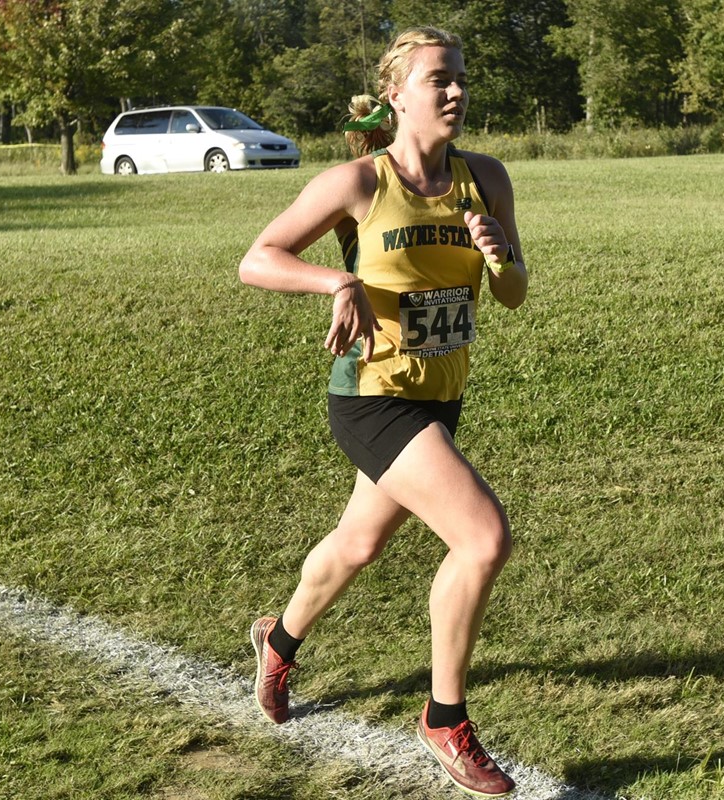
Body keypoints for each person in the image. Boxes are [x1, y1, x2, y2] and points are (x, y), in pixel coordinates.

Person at [238, 25, 527, 798]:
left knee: (359, 545)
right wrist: (336, 285)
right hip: (371, 397)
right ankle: (444, 717)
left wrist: (500, 255)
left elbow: (514, 292)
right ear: (398, 95)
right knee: (482, 538)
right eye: (440, 80)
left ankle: (279, 640)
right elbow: (258, 258)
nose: (457, 92)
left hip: (441, 396)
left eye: (461, 78)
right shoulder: (360, 182)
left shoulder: (487, 179)